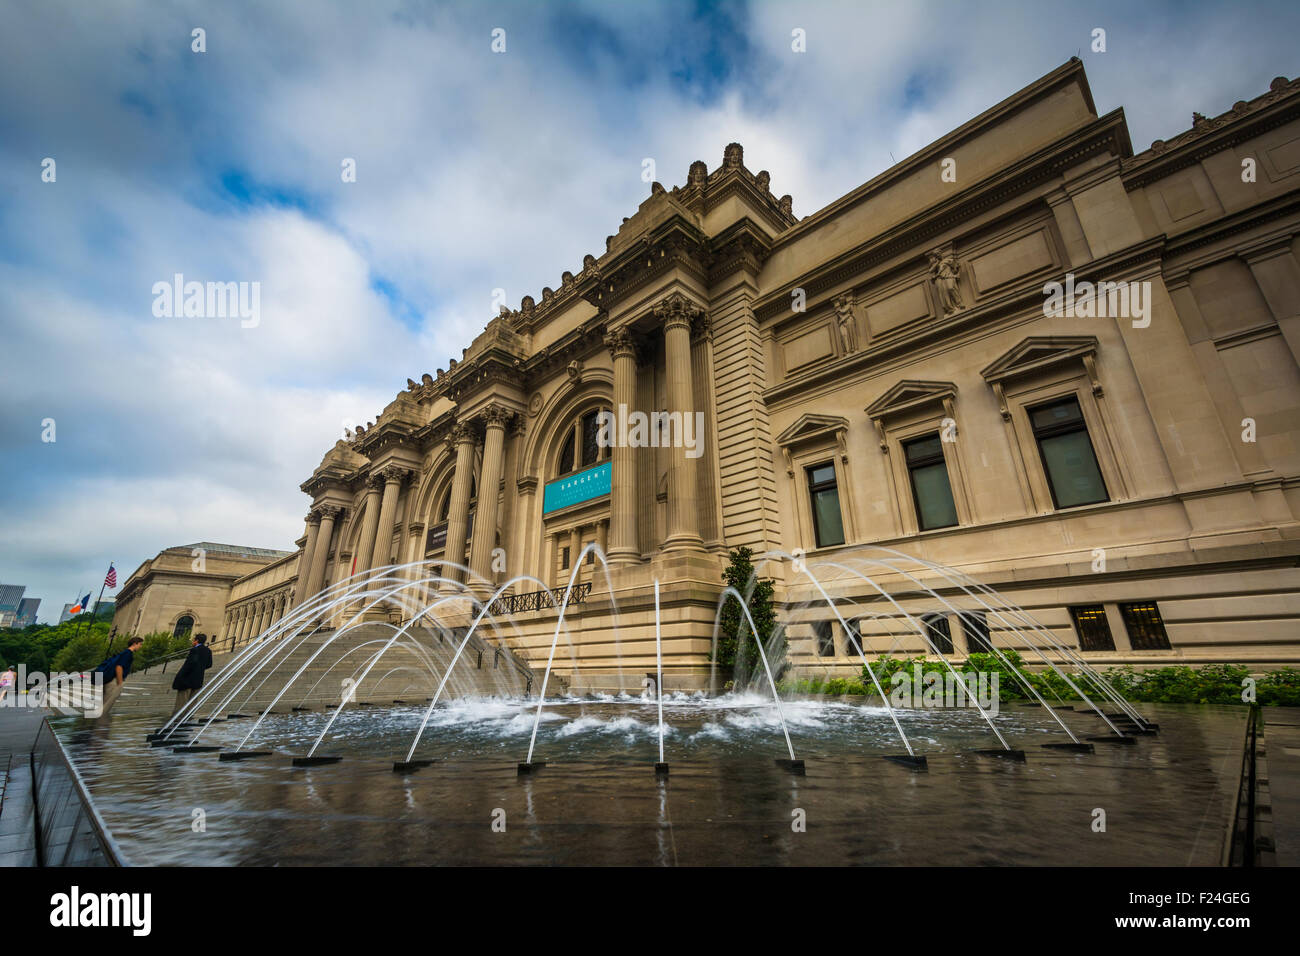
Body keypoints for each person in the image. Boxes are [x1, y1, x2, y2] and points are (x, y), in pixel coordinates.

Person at [94, 637, 143, 720]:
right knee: (106, 705)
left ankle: (98, 725)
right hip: (115, 681)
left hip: (110, 680)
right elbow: (119, 667)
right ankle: (100, 726)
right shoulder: (128, 653)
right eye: (140, 644)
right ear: (134, 643)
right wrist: (120, 683)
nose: (141, 646)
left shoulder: (124, 653)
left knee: (104, 703)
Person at [170, 633, 213, 717]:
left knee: (181, 701)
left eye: (194, 640)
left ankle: (178, 717)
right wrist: (200, 669)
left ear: (196, 641)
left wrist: (181, 676)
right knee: (193, 700)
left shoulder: (194, 650)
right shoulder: (208, 651)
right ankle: (189, 717)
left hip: (187, 679)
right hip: (198, 679)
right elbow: (209, 664)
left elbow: (190, 664)